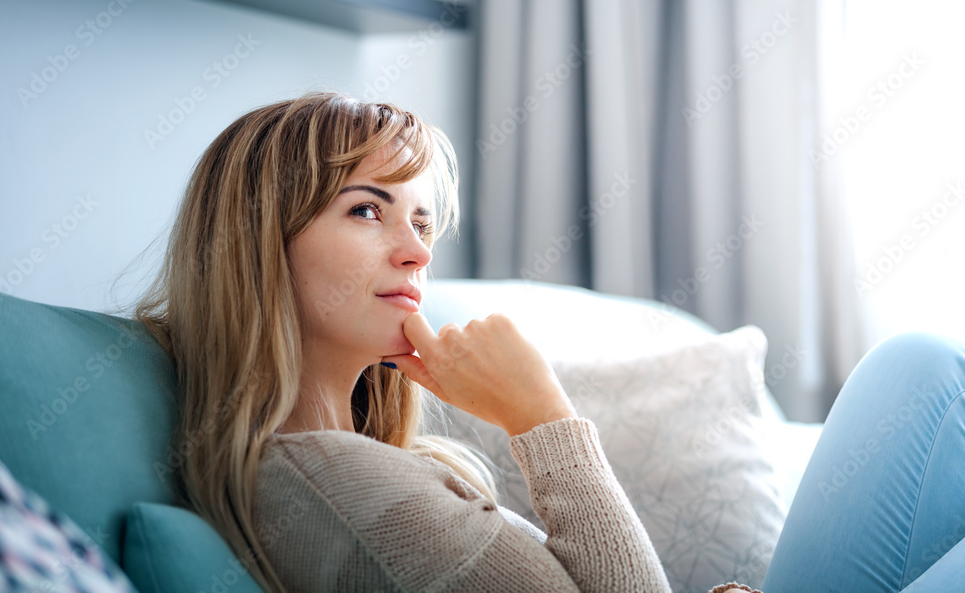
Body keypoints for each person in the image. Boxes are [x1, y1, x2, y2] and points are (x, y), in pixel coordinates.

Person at [135, 92, 965, 593]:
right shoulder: (327, 482)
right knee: (921, 371)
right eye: (366, 209)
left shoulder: (363, 462)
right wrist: (542, 415)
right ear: (258, 244)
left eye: (421, 218)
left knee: (920, 369)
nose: (417, 249)